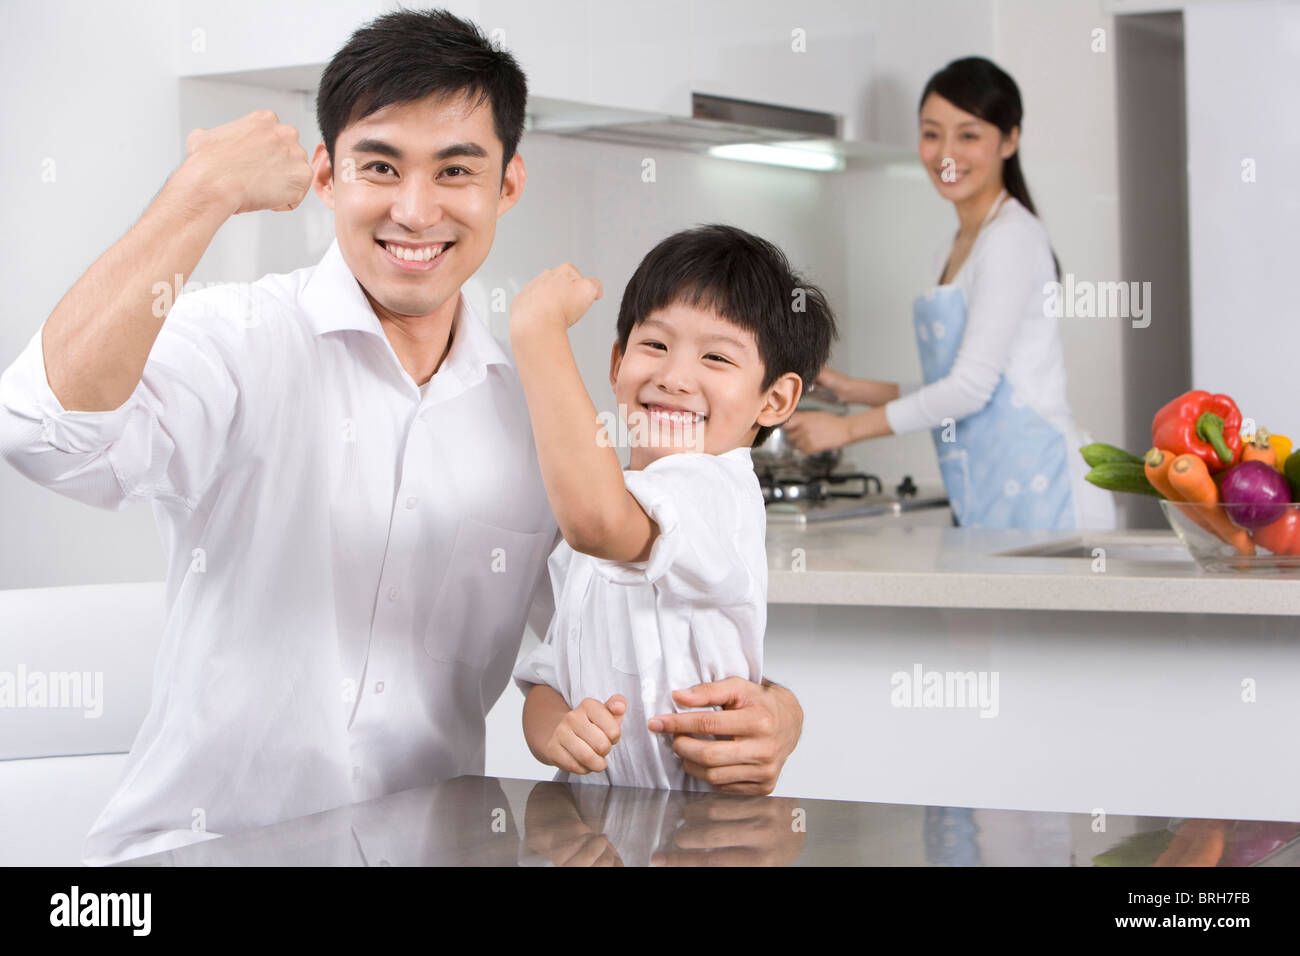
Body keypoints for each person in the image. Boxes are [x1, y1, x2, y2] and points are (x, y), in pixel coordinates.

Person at [0, 9, 804, 866]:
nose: (414, 211)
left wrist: (780, 709)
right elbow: (42, 434)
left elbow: (630, 613)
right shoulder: (242, 340)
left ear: (508, 185)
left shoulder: (537, 419)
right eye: (379, 165)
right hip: (198, 854)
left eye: (455, 170)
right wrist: (203, 191)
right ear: (326, 174)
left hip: (429, 854)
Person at [508, 226, 835, 791]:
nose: (674, 377)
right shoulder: (602, 509)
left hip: (701, 831)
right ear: (617, 364)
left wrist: (540, 333)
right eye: (655, 345)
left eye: (715, 357)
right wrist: (557, 730)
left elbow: (598, 522)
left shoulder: (717, 488)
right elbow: (547, 680)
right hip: (599, 828)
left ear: (775, 399)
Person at [784, 57, 1115, 531]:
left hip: (1043, 492)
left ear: (1010, 140)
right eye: (932, 133)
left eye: (968, 134)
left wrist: (845, 430)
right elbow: (970, 381)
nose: (946, 153)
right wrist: (852, 390)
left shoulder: (1010, 237)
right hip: (989, 489)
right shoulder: (956, 244)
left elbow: (970, 390)